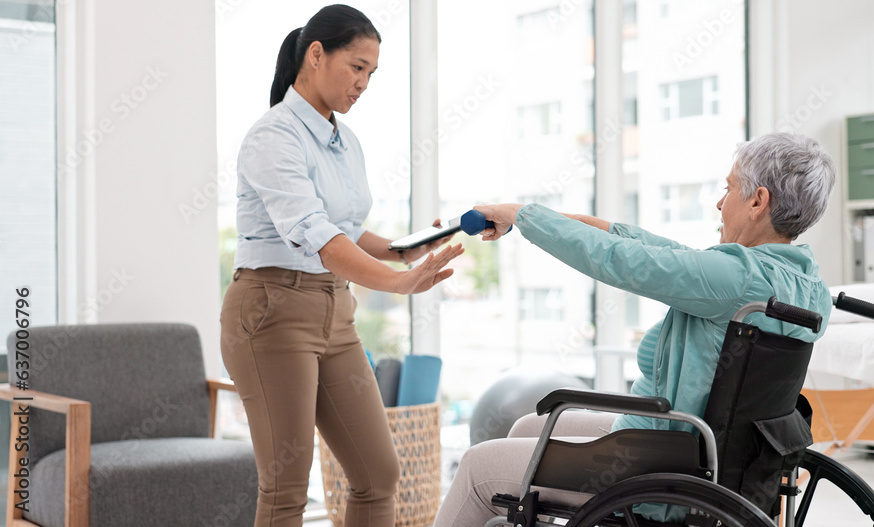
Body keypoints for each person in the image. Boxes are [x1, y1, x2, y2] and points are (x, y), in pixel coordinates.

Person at [432, 132, 836, 526]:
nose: (719, 202)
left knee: (475, 468)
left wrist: (521, 213)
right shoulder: (803, 283)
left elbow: (621, 260)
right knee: (525, 428)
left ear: (757, 201)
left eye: (728, 189)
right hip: (706, 449)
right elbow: (649, 248)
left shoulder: (736, 279)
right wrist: (525, 220)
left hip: (663, 458)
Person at [220, 5, 463, 527]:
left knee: (378, 475)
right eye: (356, 67)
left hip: (335, 311)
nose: (364, 83)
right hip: (271, 312)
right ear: (315, 55)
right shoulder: (274, 136)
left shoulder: (345, 141)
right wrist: (398, 282)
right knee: (286, 489)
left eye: (372, 73)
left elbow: (345, 229)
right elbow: (318, 235)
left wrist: (403, 250)